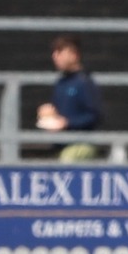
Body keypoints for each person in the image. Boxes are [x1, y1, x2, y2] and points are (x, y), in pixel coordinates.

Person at [36, 34, 102, 162]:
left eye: (60, 52)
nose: (55, 56)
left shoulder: (84, 82)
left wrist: (67, 123)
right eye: (54, 52)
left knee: (66, 163)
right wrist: (49, 113)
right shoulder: (61, 83)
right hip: (60, 145)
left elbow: (94, 115)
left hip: (80, 145)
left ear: (74, 55)